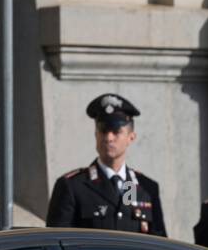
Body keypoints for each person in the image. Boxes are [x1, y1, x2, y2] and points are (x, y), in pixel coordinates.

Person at [46, 93, 166, 235]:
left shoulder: (144, 188)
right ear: (96, 135)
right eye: (103, 131)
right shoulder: (73, 186)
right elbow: (58, 242)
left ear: (131, 137)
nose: (108, 138)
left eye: (116, 132)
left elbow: (159, 245)